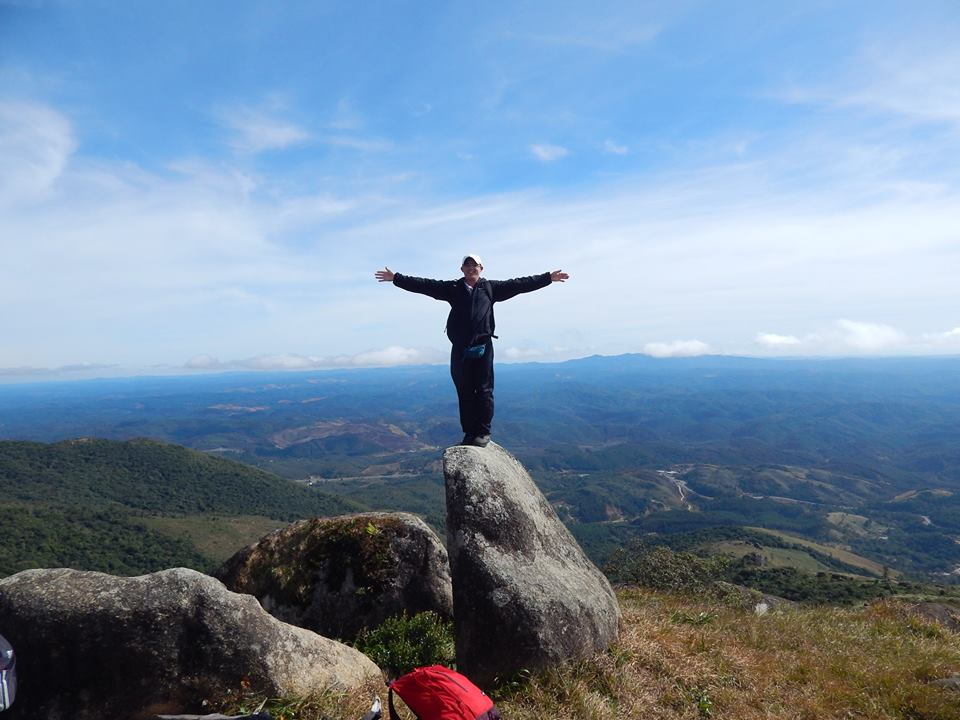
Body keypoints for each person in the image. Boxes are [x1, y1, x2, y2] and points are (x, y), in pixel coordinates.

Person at [375, 255, 568, 447]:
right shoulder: (453, 288)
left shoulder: (490, 288)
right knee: (464, 391)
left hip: (483, 347)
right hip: (460, 349)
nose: (471, 268)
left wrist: (547, 278)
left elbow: (519, 284)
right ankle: (469, 432)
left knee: (484, 390)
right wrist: (396, 278)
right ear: (461, 269)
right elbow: (425, 285)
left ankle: (483, 432)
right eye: (467, 265)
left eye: (474, 265)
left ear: (481, 268)